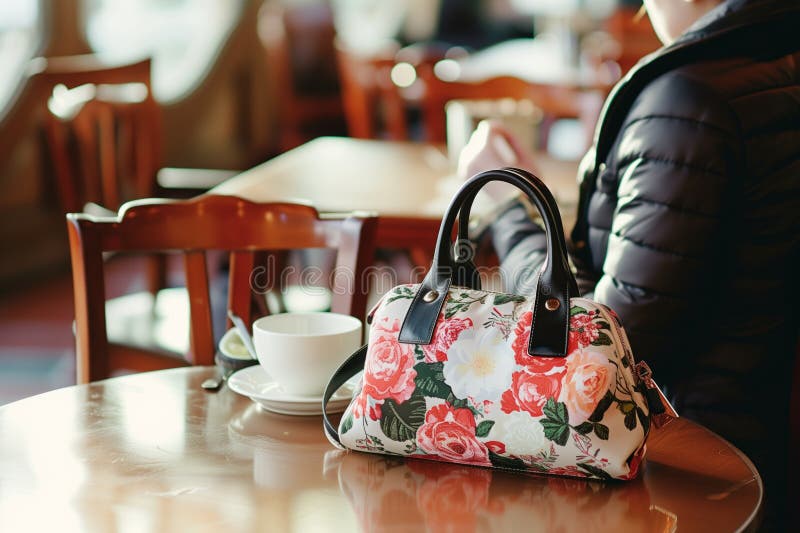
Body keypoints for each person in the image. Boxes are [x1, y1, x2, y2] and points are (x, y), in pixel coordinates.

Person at [458, 0, 799, 527]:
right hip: (757, 439)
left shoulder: (688, 101)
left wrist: (505, 206)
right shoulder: (774, 58)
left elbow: (600, 351)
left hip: (675, 466)